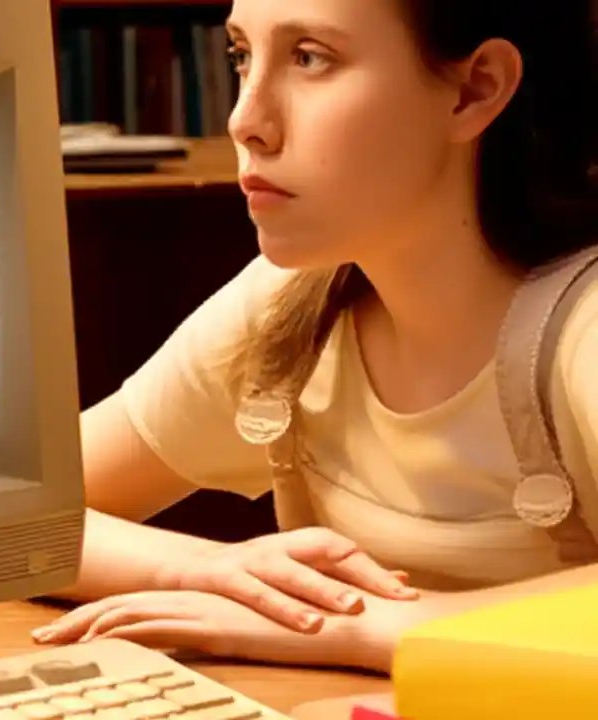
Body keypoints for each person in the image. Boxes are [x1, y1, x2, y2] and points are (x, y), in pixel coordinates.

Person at [33, 0, 598, 674]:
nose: (244, 120)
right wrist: (211, 573)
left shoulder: (583, 320)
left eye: (309, 58)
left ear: (474, 90)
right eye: (241, 56)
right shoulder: (293, 303)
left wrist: (363, 627)